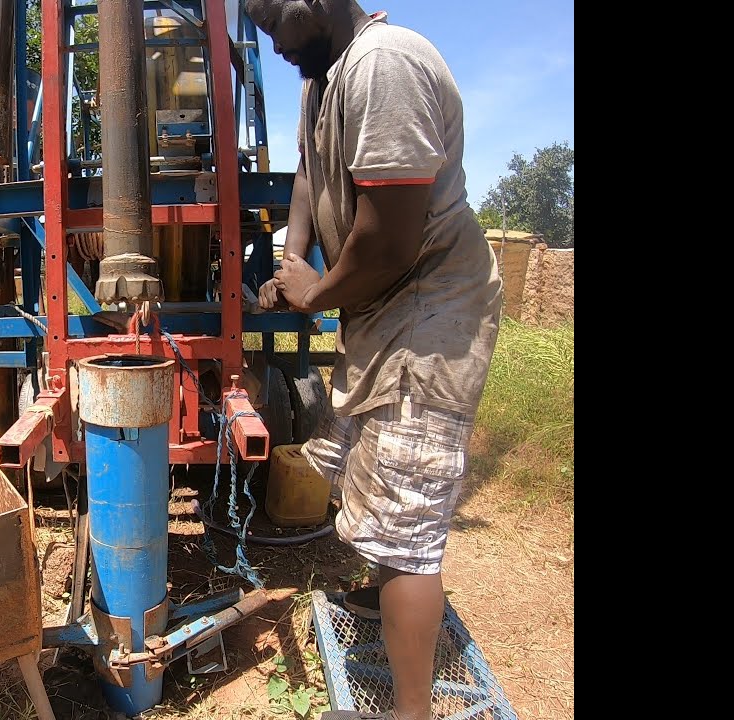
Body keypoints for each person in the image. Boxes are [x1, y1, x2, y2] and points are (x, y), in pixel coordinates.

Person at [244, 2, 503, 719]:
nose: (277, 48)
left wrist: (316, 294)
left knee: (408, 519)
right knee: (372, 474)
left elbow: (389, 239)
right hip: (385, 310)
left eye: (277, 29)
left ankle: (410, 709)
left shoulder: (383, 65)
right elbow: (307, 179)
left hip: (428, 319)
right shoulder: (322, 78)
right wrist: (292, 260)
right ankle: (381, 592)